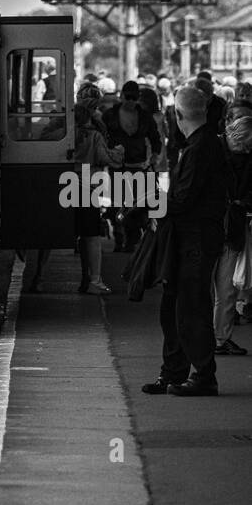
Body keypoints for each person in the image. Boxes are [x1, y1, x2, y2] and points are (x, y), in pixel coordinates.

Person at [142, 85, 225, 397]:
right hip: (189, 239)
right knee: (174, 305)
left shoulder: (201, 148)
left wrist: (153, 202)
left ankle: (204, 375)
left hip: (196, 241)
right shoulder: (199, 145)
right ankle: (173, 373)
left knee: (191, 307)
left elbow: (184, 199)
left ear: (177, 115)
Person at [102, 81, 162, 251]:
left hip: (139, 166)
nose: (130, 101)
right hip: (118, 166)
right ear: (121, 96)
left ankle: (132, 238)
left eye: (134, 98)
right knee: (119, 203)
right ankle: (120, 237)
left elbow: (155, 138)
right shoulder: (111, 115)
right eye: (127, 97)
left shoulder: (144, 116)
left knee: (137, 205)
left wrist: (155, 156)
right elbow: (102, 136)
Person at [73, 102, 123, 294]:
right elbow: (106, 158)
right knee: (91, 236)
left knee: (54, 237)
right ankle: (94, 280)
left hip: (63, 184)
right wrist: (119, 151)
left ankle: (37, 277)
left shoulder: (63, 134)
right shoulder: (94, 136)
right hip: (88, 186)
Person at [214, 114, 251, 356]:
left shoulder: (246, 157)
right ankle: (214, 337)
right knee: (219, 288)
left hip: (231, 225)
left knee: (226, 289)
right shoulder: (212, 149)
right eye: (246, 143)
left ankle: (219, 338)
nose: (247, 149)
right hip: (213, 224)